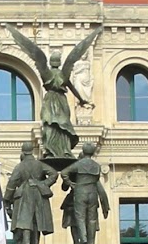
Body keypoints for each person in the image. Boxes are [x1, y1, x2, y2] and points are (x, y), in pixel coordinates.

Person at [6, 25, 104, 159]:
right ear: (59, 63)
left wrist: (81, 99)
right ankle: (64, 151)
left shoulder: (47, 74)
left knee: (50, 125)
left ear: (51, 63)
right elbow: (72, 88)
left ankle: (51, 150)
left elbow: (39, 59)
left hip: (50, 101)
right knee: (61, 126)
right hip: (61, 102)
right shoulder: (64, 74)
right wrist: (81, 100)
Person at [4, 142, 57, 244]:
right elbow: (54, 174)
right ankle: (35, 243)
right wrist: (42, 184)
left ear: (23, 152)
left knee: (25, 218)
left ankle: (26, 243)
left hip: (24, 193)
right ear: (32, 151)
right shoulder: (39, 164)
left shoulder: (20, 166)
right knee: (37, 218)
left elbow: (11, 184)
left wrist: (7, 200)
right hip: (37, 193)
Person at [58, 142, 110, 244]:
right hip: (92, 194)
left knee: (80, 217)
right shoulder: (96, 166)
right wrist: (105, 204)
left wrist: (71, 184)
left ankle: (84, 239)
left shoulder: (79, 164)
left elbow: (64, 173)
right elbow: (97, 184)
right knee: (92, 219)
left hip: (80, 192)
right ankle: (90, 242)